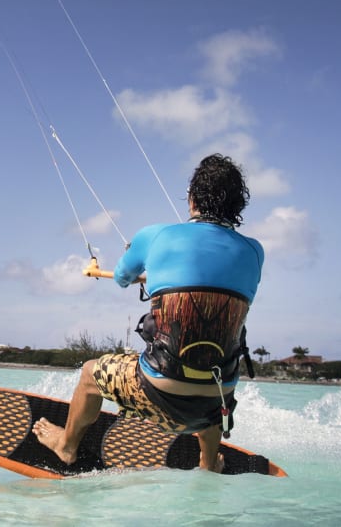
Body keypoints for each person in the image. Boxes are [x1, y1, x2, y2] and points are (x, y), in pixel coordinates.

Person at [33, 154, 264, 473]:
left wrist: (144, 269)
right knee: (211, 354)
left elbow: (121, 278)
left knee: (89, 374)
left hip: (159, 393)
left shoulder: (155, 236)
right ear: (238, 207)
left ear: (192, 199)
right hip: (217, 400)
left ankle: (67, 445)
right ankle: (209, 462)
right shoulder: (254, 252)